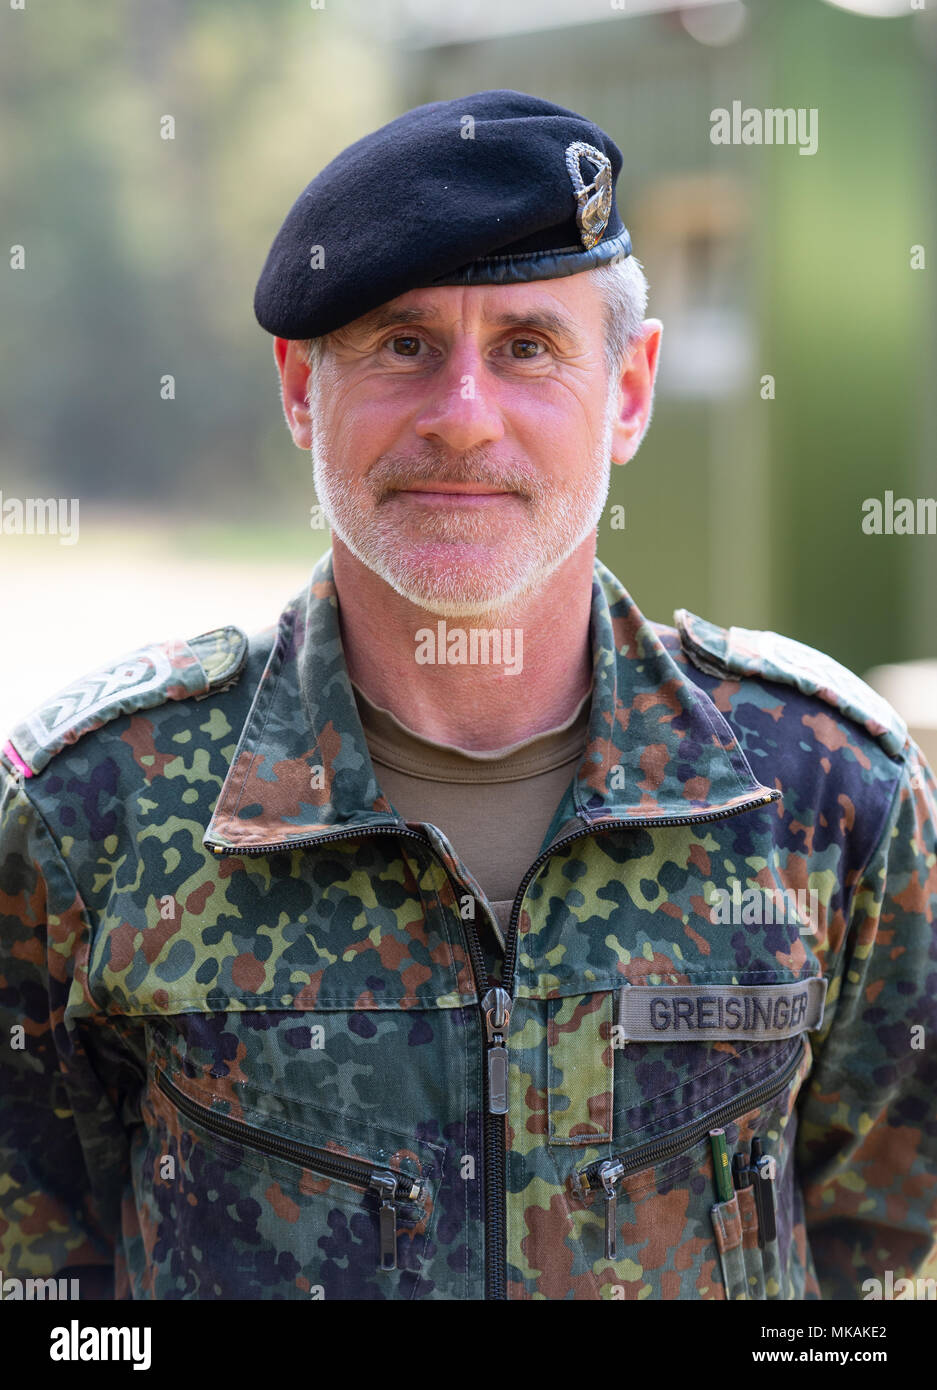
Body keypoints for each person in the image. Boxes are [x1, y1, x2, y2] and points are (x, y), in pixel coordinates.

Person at [1, 90, 935, 1303]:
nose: (461, 416)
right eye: (401, 344)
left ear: (631, 391)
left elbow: (880, 1273)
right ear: (299, 388)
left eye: (528, 347)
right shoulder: (94, 816)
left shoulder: (827, 790)